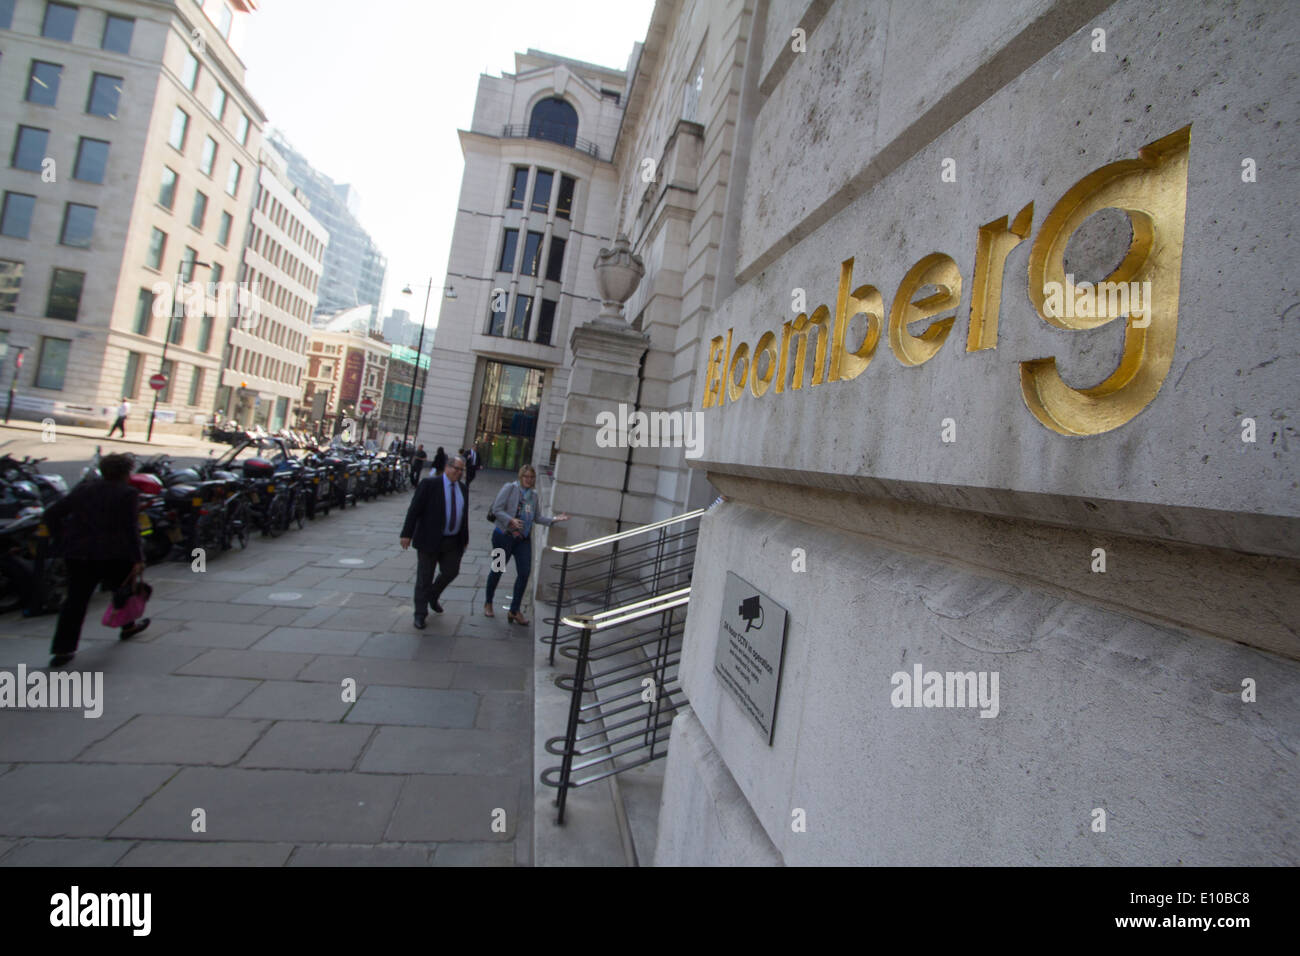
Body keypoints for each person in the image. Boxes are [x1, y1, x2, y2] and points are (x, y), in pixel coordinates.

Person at [44, 453, 149, 667]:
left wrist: (62, 538)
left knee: (75, 600)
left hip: (79, 554)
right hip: (114, 553)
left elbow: (51, 513)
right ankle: (127, 626)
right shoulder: (127, 493)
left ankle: (63, 649)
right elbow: (131, 529)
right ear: (126, 473)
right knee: (124, 589)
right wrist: (138, 557)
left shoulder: (84, 489)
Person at [484, 464, 569, 626]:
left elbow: (537, 518)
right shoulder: (510, 488)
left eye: (532, 477)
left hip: (522, 540)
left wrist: (554, 520)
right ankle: (488, 602)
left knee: (524, 573)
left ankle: (514, 610)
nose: (529, 480)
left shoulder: (534, 496)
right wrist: (510, 520)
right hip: (503, 537)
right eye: (526, 477)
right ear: (520, 476)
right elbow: (496, 509)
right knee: (497, 570)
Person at [400, 455, 468, 629]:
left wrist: (464, 538)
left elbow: (463, 515)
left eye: (461, 470)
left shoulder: (462, 488)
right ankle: (420, 614)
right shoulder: (430, 485)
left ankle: (432, 594)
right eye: (456, 468)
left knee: (451, 571)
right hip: (429, 539)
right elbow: (414, 509)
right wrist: (406, 534)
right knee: (425, 577)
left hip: (452, 541)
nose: (458, 473)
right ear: (447, 467)